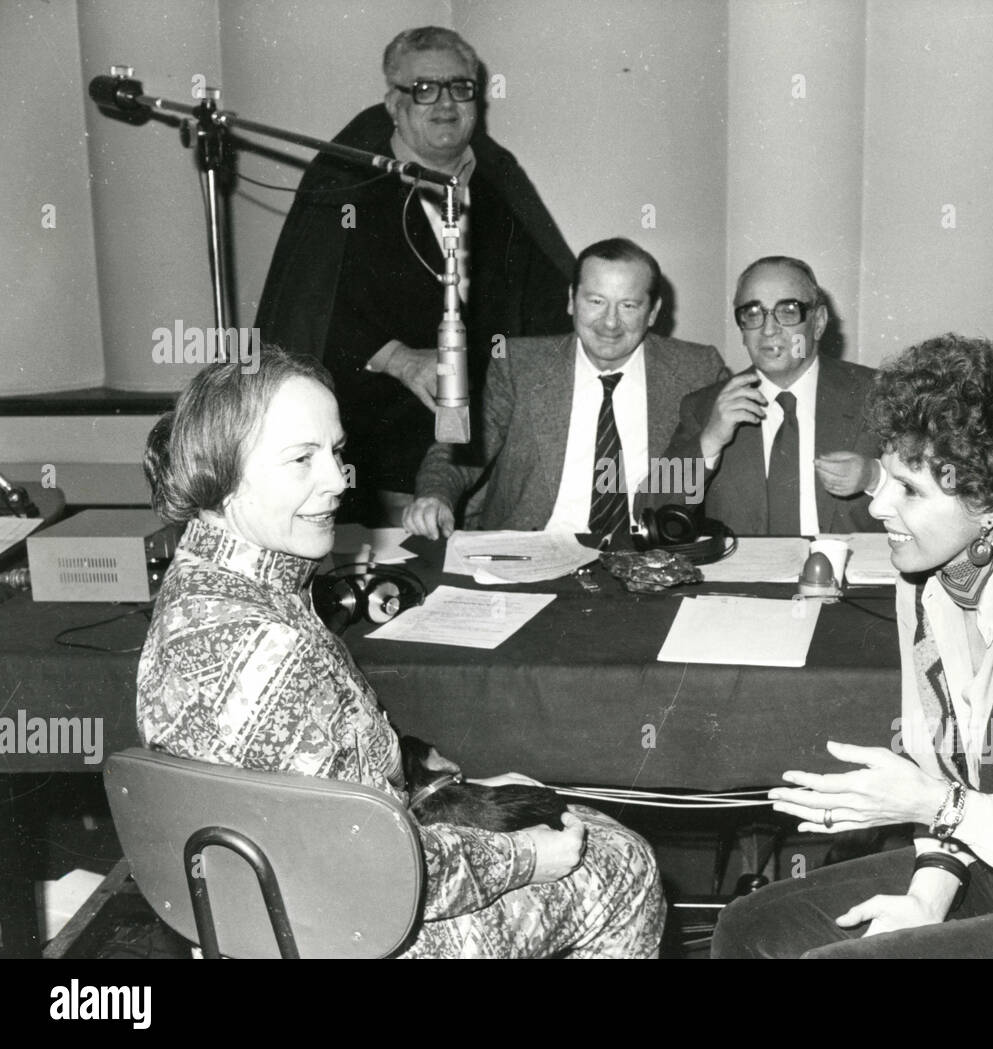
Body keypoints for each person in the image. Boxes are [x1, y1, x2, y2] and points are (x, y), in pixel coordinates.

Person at [136, 348, 664, 958]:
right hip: (345, 934)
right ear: (220, 476)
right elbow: (380, 875)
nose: (337, 480)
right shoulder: (275, 648)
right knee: (622, 862)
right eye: (302, 459)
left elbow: (319, 794)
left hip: (251, 917)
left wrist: (451, 798)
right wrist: (525, 857)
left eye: (334, 452)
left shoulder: (195, 581)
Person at [711, 334, 993, 958]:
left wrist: (934, 804)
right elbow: (956, 776)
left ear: (988, 503)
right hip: (990, 861)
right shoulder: (926, 588)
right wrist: (926, 896)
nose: (876, 504)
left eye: (909, 489)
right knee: (748, 930)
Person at [255, 26, 574, 527]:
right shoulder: (346, 184)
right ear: (393, 101)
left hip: (490, 458)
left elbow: (548, 302)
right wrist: (400, 359)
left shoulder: (499, 177)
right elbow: (308, 313)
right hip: (384, 458)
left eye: (459, 87)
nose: (445, 103)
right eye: (424, 89)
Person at [404, 238, 728, 538]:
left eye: (628, 305)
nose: (610, 323)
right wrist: (435, 496)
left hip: (648, 551)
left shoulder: (696, 369)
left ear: (653, 311)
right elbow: (462, 446)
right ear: (572, 301)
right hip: (533, 548)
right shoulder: (520, 364)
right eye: (596, 301)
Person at [659, 256, 883, 535]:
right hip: (745, 576)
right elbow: (653, 511)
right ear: (741, 329)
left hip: (851, 575)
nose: (768, 329)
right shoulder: (705, 407)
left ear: (819, 322)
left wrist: (875, 476)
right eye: (753, 314)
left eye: (788, 311)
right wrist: (709, 442)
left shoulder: (878, 393)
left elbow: (941, 497)